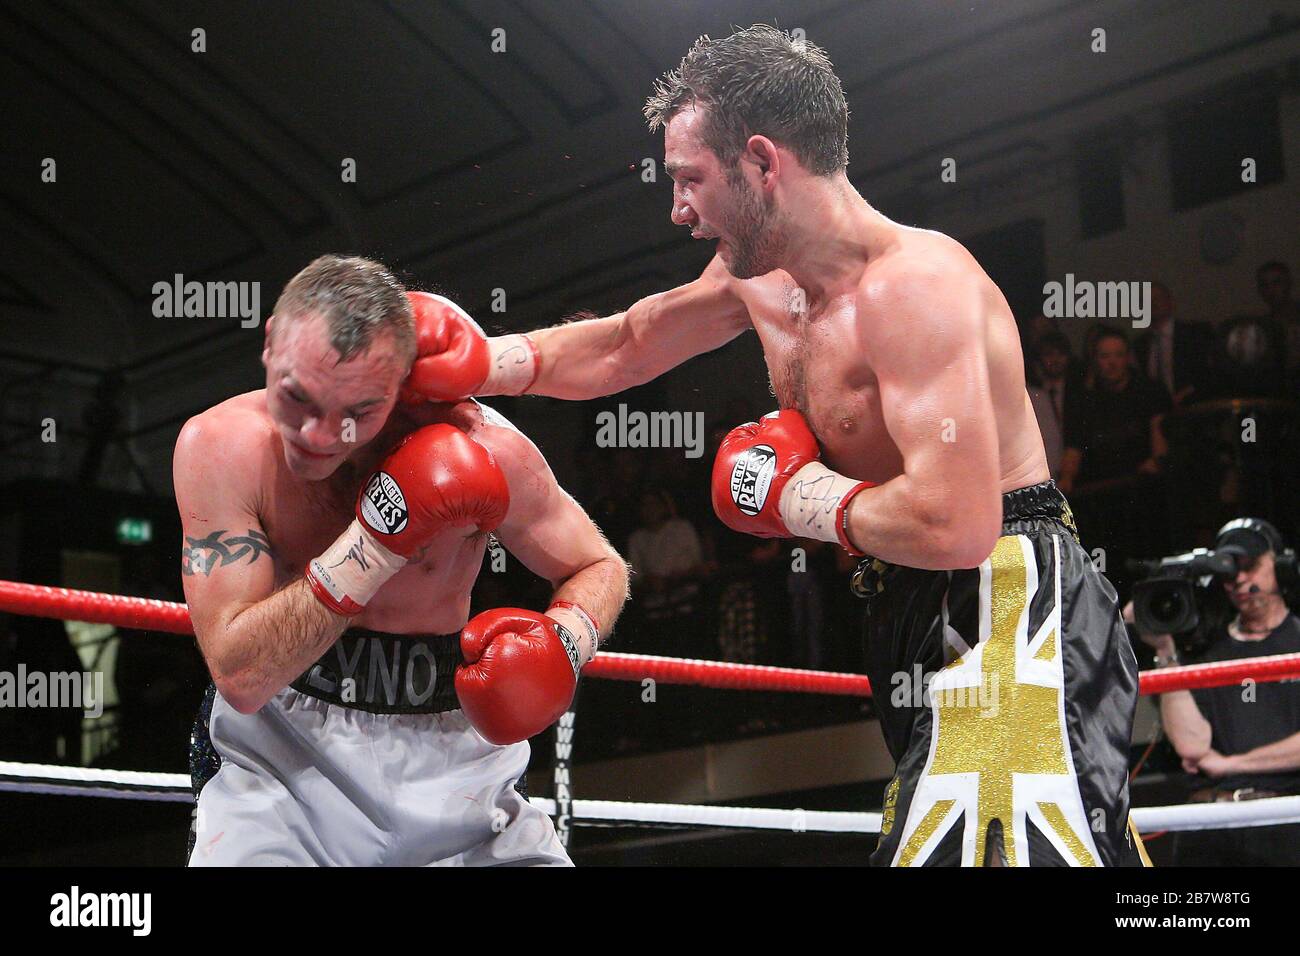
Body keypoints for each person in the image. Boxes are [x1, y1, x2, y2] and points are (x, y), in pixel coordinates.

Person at [405, 25, 1146, 866]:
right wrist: (477, 363)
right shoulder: (758, 278)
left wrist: (793, 495)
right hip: (905, 598)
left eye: (690, 180)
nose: (677, 208)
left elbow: (957, 524)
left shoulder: (915, 287)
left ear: (761, 161)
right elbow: (627, 343)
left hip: (1012, 594)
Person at [174, 255, 628, 866]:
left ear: (398, 389)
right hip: (280, 765)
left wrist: (564, 642)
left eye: (358, 412)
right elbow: (241, 676)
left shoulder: (486, 447)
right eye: (298, 397)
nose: (319, 432)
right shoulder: (222, 447)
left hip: (457, 764)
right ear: (270, 345)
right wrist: (379, 540)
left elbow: (598, 565)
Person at [1132, 518, 1300, 865]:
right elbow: (1192, 745)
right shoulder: (1207, 652)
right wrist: (1165, 650)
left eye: (1250, 567)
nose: (1239, 580)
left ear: (1280, 566)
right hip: (1208, 824)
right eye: (1229, 573)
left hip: (1281, 820)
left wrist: (1231, 764)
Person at [1131, 282, 1216, 406]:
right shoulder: (1140, 344)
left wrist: (1186, 394)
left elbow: (1210, 374)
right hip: (1157, 412)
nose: (1152, 303)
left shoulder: (1195, 334)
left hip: (1196, 409)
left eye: (1157, 298)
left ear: (1170, 302)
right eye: (1146, 300)